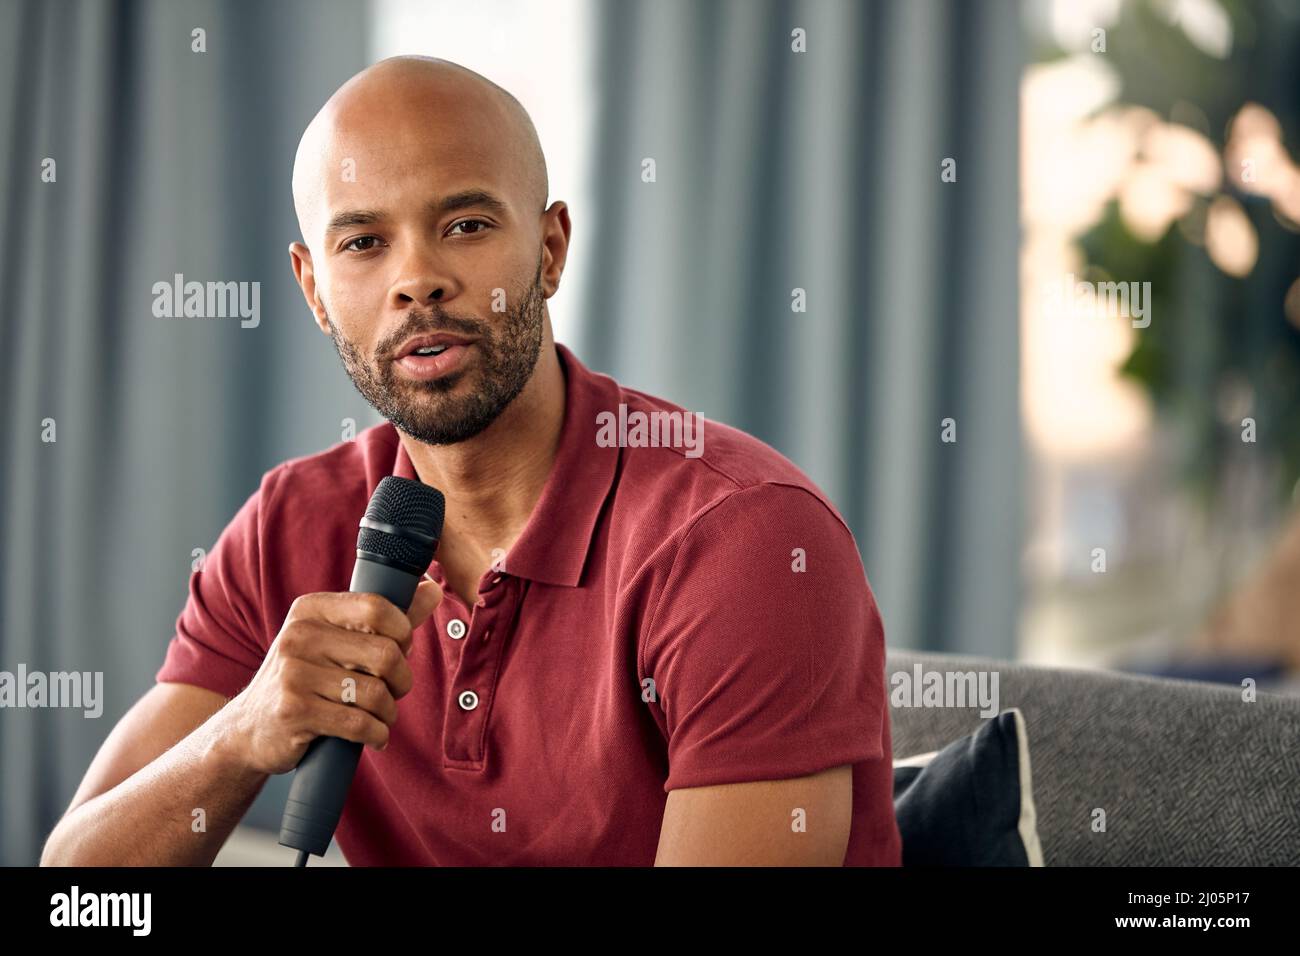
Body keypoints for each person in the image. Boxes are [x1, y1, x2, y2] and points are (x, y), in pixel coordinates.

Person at [41, 56, 901, 866]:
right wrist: (241, 731)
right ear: (312, 289)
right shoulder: (286, 529)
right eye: (364, 243)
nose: (418, 279)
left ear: (551, 248)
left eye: (466, 224)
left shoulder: (746, 541)